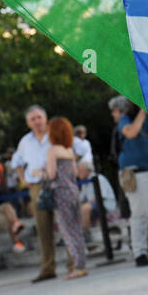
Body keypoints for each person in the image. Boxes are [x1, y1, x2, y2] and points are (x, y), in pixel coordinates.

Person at [12, 104, 75, 283]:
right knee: (43, 228)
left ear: (45, 118)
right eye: (33, 119)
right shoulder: (25, 141)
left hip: (58, 182)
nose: (37, 122)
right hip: (37, 186)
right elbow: (16, 161)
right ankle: (48, 268)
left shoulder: (55, 134)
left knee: (66, 224)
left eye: (39, 117)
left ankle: (74, 264)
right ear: (28, 123)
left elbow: (74, 149)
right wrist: (23, 178)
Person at [110, 96, 148, 266]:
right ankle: (140, 252)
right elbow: (131, 133)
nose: (113, 114)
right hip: (136, 172)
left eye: (114, 110)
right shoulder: (125, 120)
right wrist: (142, 111)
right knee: (140, 213)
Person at [35, 116, 88, 279]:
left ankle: (77, 268)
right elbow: (74, 173)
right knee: (77, 230)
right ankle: (81, 265)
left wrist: (38, 172)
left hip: (60, 193)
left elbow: (51, 174)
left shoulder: (53, 150)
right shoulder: (69, 151)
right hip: (73, 191)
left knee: (67, 231)